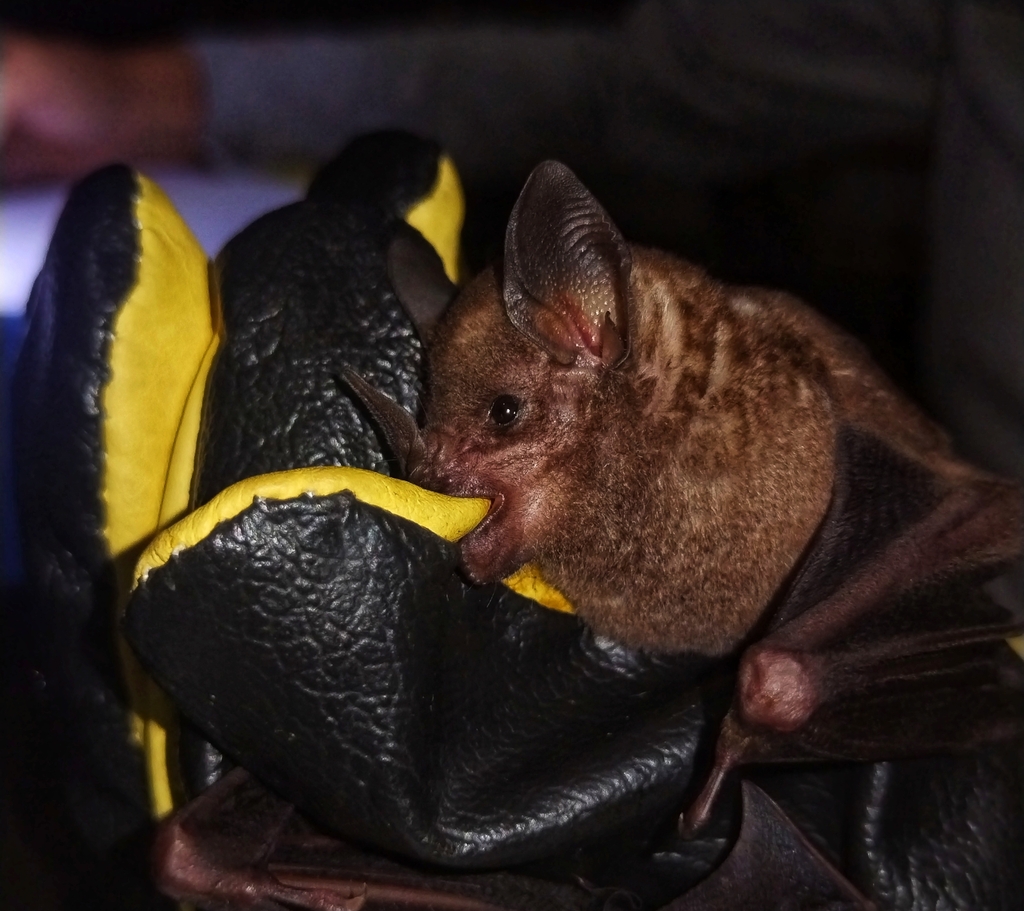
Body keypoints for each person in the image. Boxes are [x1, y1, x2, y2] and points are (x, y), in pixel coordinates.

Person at [3, 0, 1022, 604]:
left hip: (950, 587)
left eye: (498, 418)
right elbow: (633, 87)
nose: (444, 463)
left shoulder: (749, 464)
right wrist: (162, 93)